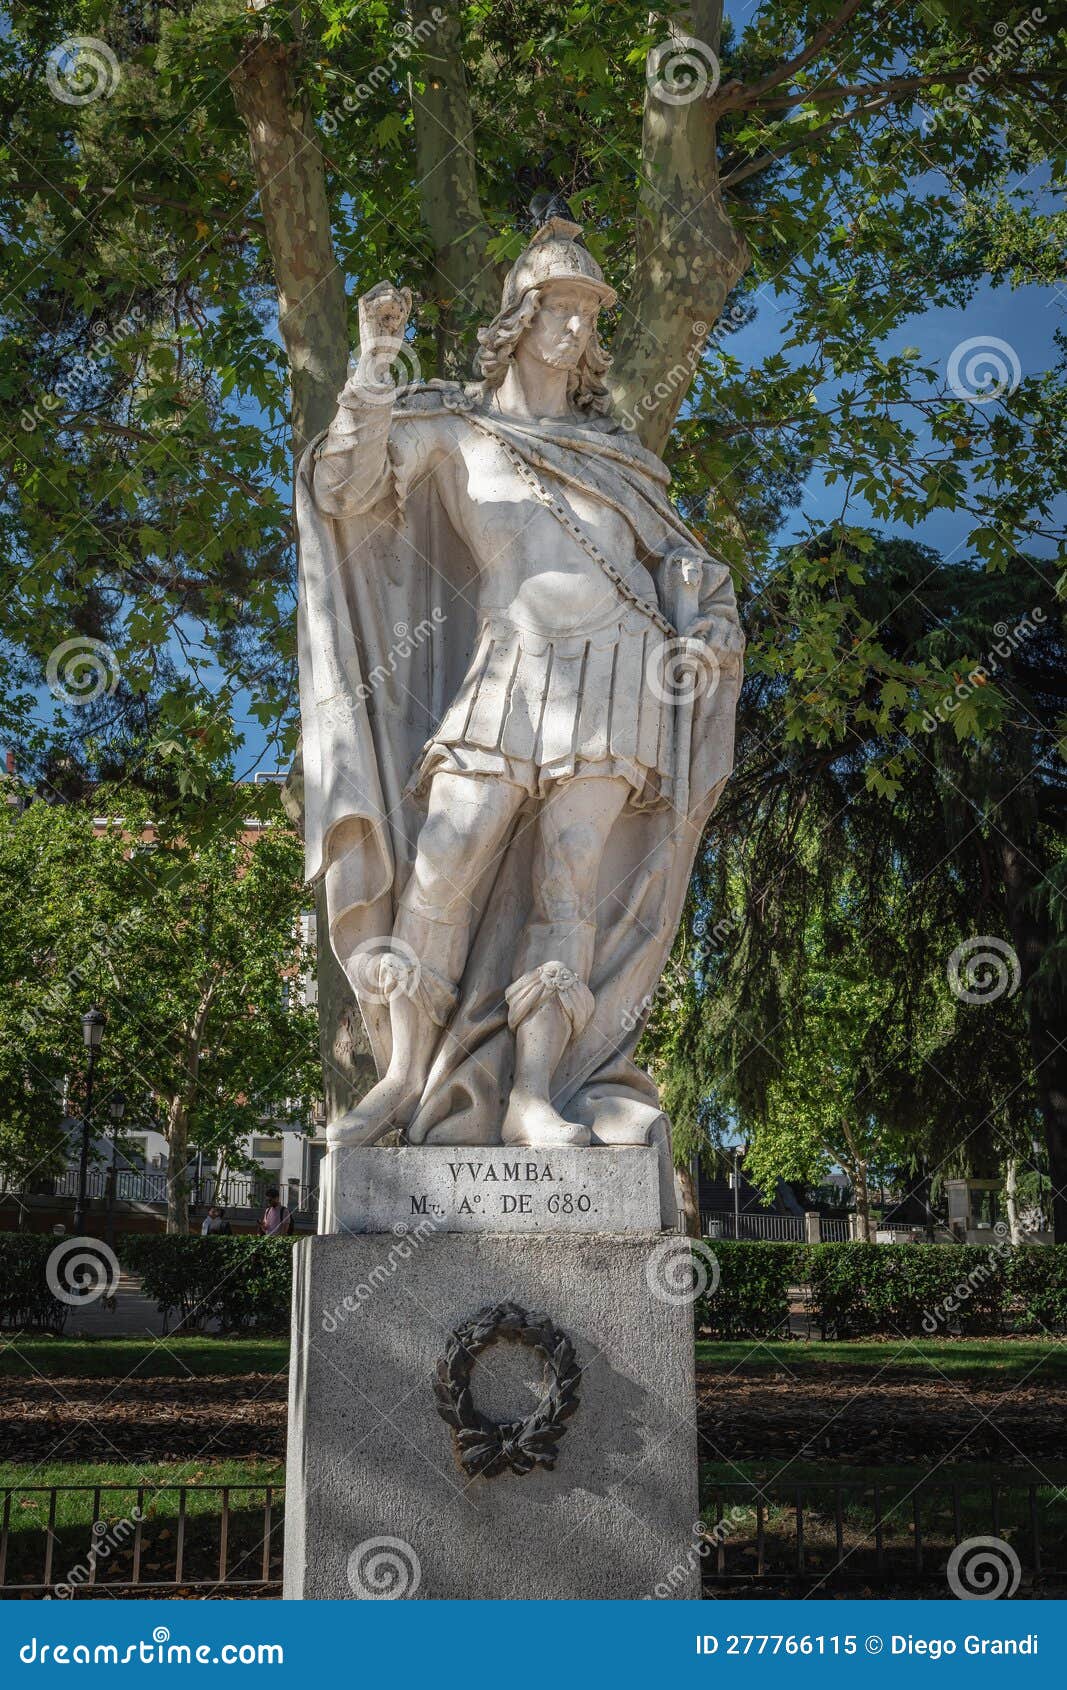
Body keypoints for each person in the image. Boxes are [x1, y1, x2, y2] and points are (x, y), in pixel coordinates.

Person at [299, 214, 743, 1153]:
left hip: (620, 667)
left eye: (589, 315)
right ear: (519, 317)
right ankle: (401, 1079)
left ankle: (537, 1094)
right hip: (509, 668)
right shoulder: (453, 431)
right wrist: (373, 368)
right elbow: (347, 493)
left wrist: (705, 628)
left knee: (570, 878)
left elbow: (683, 565)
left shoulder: (621, 458)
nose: (578, 330)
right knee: (442, 864)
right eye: (561, 310)